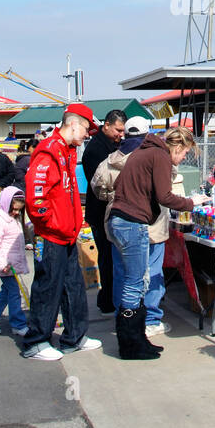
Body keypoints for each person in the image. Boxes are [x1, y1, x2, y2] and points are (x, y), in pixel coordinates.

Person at [22, 104, 102, 361]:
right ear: (74, 124)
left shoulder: (67, 151)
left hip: (66, 233)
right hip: (52, 235)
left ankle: (75, 336)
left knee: (73, 287)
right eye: (87, 128)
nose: (88, 134)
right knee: (48, 287)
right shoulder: (49, 152)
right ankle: (36, 341)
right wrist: (51, 225)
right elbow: (36, 198)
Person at [108, 126, 195, 359]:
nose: (184, 158)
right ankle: (130, 343)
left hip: (122, 219)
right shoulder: (160, 156)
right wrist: (191, 203)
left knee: (137, 280)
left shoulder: (143, 152)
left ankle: (138, 337)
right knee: (135, 282)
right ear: (177, 147)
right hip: (131, 222)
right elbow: (164, 196)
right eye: (185, 153)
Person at [91, 117, 173, 334]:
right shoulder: (153, 156)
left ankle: (124, 318)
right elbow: (167, 187)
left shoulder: (109, 161)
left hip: (118, 222)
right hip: (151, 223)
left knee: (123, 274)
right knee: (152, 272)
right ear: (148, 133)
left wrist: (115, 196)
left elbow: (97, 188)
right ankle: (150, 320)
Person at [81, 109, 127, 313]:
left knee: (113, 258)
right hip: (101, 213)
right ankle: (107, 299)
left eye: (123, 131)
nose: (120, 134)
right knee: (107, 258)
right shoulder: (95, 150)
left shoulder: (115, 144)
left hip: (113, 211)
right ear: (106, 125)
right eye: (118, 130)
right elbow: (100, 185)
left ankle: (109, 297)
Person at [0, 186, 30, 337]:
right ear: (6, 203)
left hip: (11, 265)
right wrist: (2, 263)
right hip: (6, 266)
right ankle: (18, 323)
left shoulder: (12, 219)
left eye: (18, 210)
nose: (16, 212)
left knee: (6, 293)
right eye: (14, 209)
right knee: (15, 293)